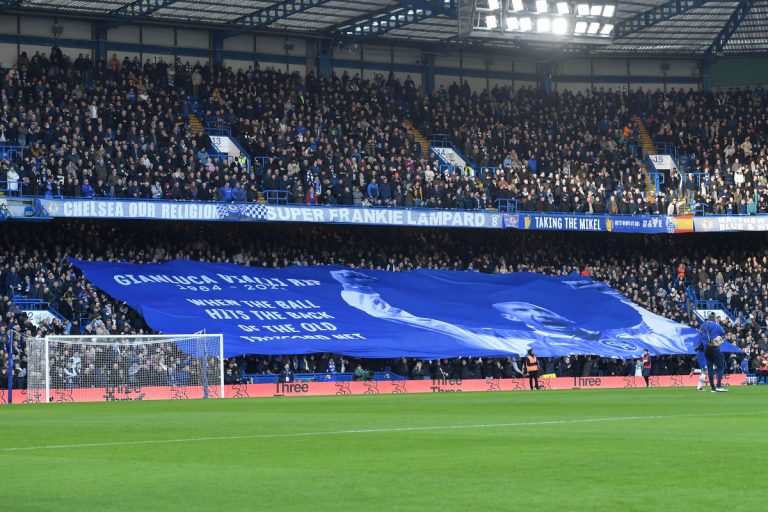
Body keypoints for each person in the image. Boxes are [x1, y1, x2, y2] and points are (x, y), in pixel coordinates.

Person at [699, 313, 727, 392]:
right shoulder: (716, 325)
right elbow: (723, 333)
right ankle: (718, 385)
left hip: (706, 349)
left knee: (710, 368)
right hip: (714, 347)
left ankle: (713, 387)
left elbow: (700, 334)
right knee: (721, 366)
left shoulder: (703, 326)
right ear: (714, 318)